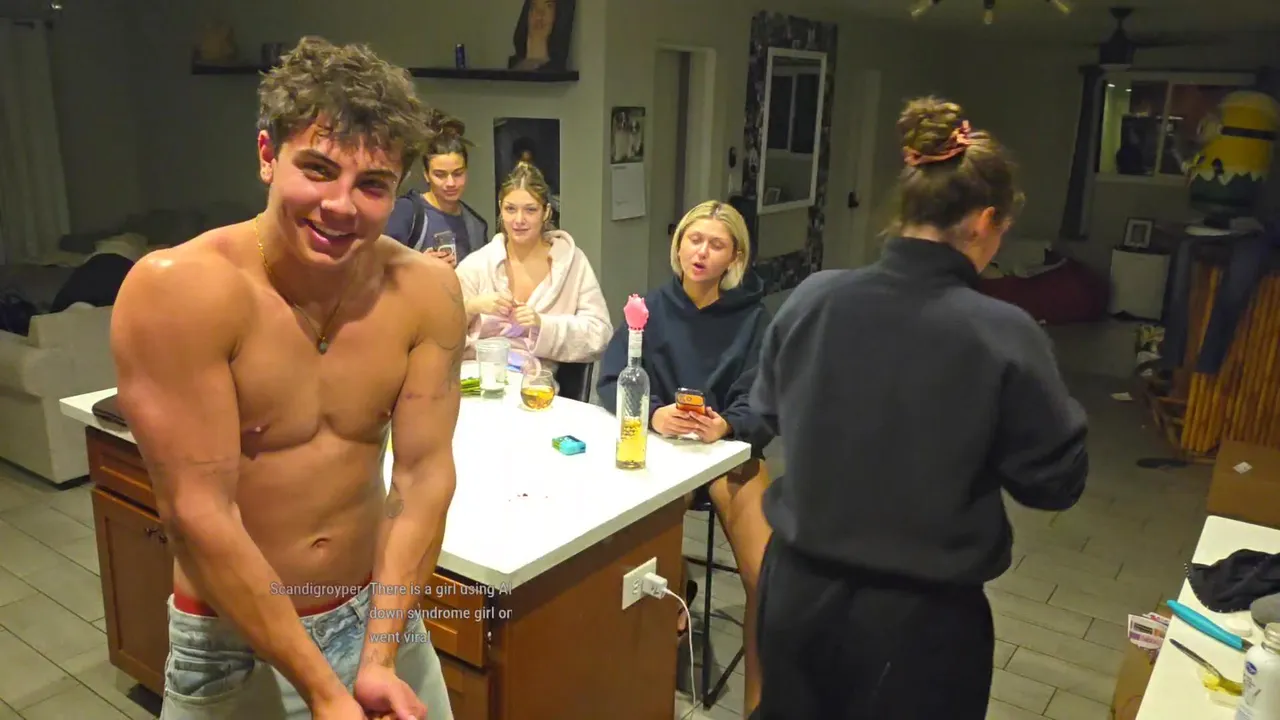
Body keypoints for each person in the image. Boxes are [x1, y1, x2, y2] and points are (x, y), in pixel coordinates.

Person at [110, 37, 463, 720]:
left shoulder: (427, 293)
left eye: (372, 185)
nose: (340, 205)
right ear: (268, 156)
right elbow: (197, 513)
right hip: (233, 638)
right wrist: (324, 692)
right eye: (318, 169)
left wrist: (379, 657)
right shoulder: (180, 292)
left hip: (378, 619)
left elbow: (423, 478)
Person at [749, 97, 1089, 719]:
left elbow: (767, 406)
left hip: (795, 593)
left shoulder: (812, 299)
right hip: (918, 623)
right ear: (984, 221)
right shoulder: (1003, 333)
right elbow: (1054, 483)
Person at [596, 200, 774, 717]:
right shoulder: (648, 308)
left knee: (766, 577)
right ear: (678, 246)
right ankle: (672, 600)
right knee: (638, 536)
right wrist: (653, 413)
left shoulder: (754, 318)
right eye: (694, 240)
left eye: (716, 245)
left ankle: (759, 706)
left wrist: (727, 424)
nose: (701, 252)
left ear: (734, 257)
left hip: (726, 452)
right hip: (662, 451)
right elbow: (611, 381)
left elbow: (766, 398)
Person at [455, 161, 610, 373]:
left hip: (536, 385)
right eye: (510, 209)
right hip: (477, 379)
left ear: (546, 212)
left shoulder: (572, 263)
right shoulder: (476, 265)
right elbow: (438, 334)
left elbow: (600, 334)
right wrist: (472, 307)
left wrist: (543, 326)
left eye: (530, 210)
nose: (519, 220)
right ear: (500, 208)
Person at [385, 110, 486, 267]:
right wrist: (418, 265)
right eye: (440, 175)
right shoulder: (406, 212)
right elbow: (377, 267)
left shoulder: (476, 225)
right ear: (426, 175)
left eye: (458, 174)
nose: (450, 183)